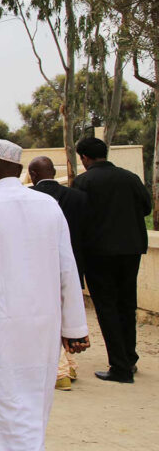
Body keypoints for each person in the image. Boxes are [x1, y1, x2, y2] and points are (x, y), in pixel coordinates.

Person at [0, 139, 90, 451]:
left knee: (3, 406)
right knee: (35, 405)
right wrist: (75, 328)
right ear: (20, 170)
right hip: (44, 326)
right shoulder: (49, 206)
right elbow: (68, 269)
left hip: (1, 327)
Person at [72, 137, 152, 383]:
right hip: (130, 251)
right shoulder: (130, 177)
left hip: (98, 253)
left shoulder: (83, 182)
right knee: (127, 304)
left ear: (84, 158)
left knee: (106, 307)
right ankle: (129, 358)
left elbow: (78, 217)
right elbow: (147, 208)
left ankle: (120, 367)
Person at [29, 155, 90, 390]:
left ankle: (61, 369)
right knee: (67, 311)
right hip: (74, 263)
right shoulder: (78, 198)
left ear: (33, 175)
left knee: (49, 316)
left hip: (41, 266)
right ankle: (70, 362)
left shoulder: (32, 199)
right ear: (54, 172)